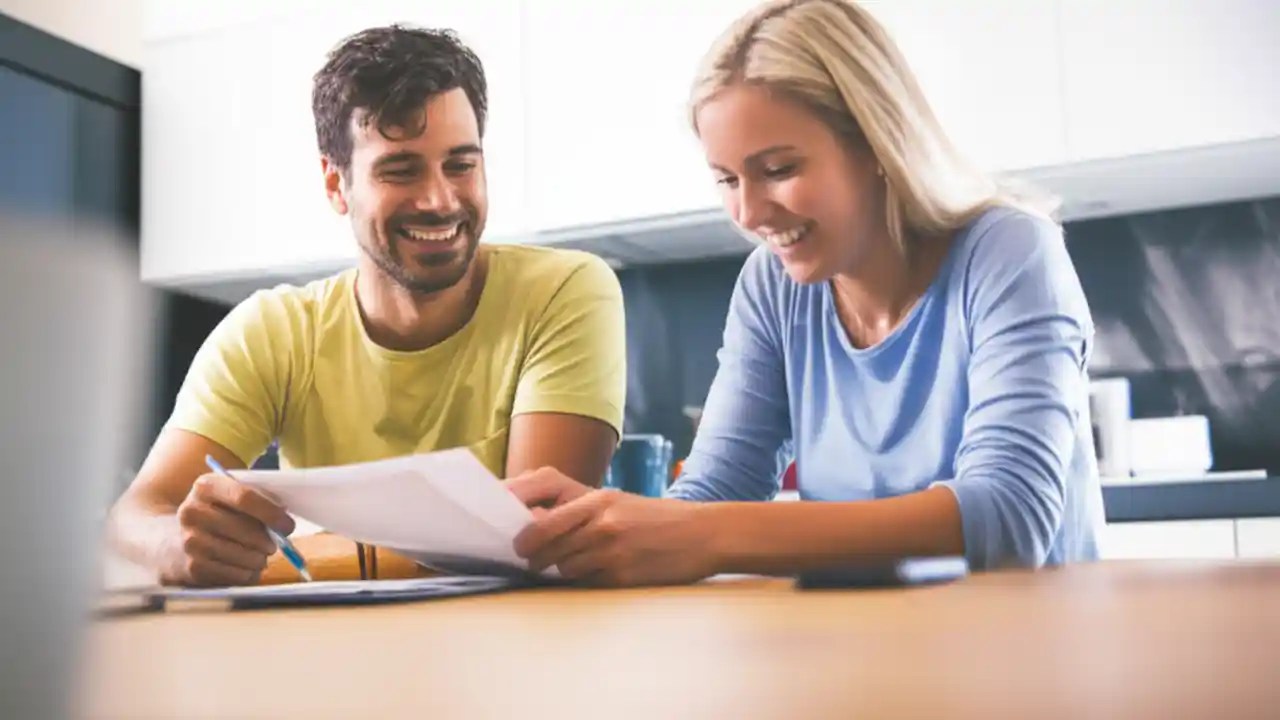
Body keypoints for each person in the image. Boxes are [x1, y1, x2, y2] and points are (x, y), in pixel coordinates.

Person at [508, 0, 1105, 586]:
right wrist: (603, 525)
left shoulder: (1010, 253)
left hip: (1027, 653)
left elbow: (1009, 516)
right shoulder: (772, 287)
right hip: (859, 653)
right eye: (726, 179)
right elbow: (715, 492)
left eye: (778, 170)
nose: (748, 211)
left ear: (875, 142)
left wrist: (702, 533)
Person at [107, 25, 626, 587]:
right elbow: (135, 513)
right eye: (400, 170)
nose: (439, 200)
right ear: (336, 184)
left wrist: (279, 562)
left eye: (461, 164)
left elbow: (533, 537)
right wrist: (174, 545)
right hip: (329, 649)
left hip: (514, 649)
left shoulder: (564, 290)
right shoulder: (274, 331)